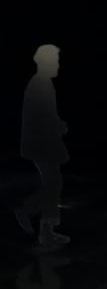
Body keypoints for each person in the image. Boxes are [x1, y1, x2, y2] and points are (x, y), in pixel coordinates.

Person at [15, 44, 71, 245]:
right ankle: (30, 214)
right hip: (41, 144)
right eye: (55, 61)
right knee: (53, 182)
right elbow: (43, 117)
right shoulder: (40, 85)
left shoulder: (42, 83)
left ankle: (45, 229)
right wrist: (59, 127)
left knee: (53, 182)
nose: (57, 65)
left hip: (41, 144)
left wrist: (57, 125)